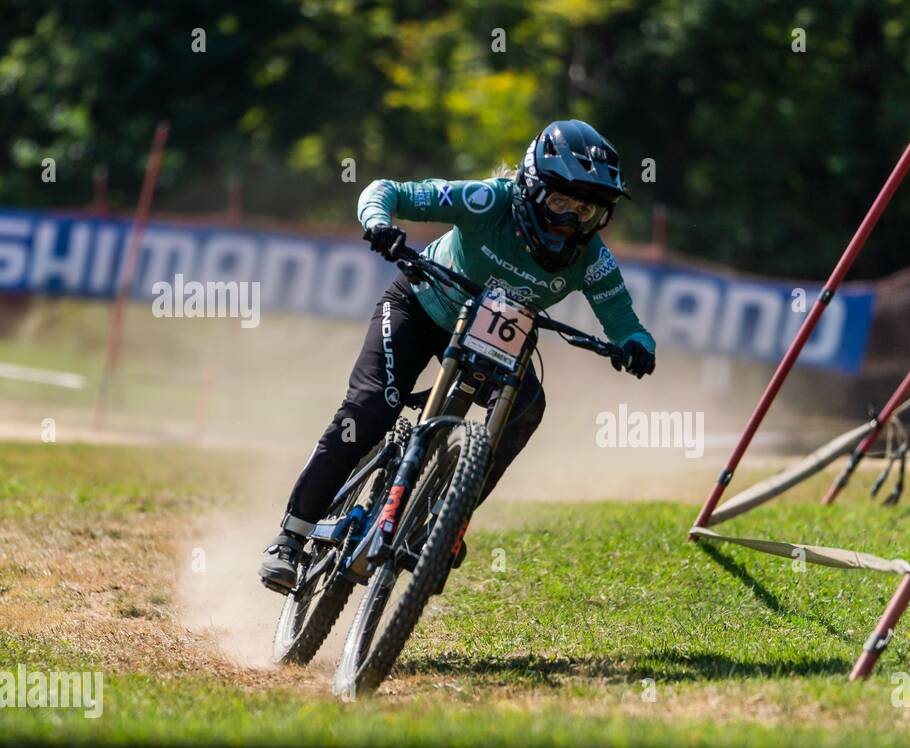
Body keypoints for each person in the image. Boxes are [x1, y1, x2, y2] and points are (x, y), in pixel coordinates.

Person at [259, 119, 656, 592]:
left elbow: (624, 319)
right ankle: (291, 536)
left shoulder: (593, 259)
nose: (569, 222)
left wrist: (636, 346)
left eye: (586, 212)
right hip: (421, 305)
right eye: (560, 202)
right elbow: (384, 190)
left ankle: (445, 523)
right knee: (371, 408)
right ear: (531, 188)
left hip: (497, 335)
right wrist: (380, 224)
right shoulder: (488, 200)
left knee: (528, 409)